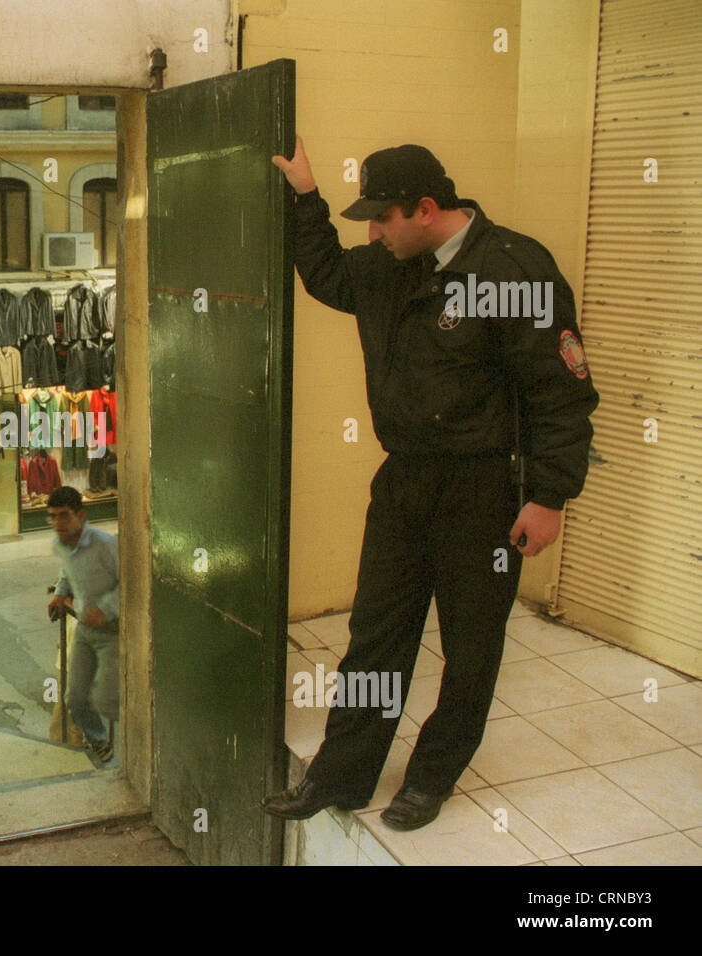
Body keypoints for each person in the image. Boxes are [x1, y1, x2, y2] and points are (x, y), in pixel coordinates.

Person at [260, 140, 599, 831]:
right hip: (406, 481)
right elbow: (325, 273)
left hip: (486, 490)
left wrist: (549, 496)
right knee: (375, 634)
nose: (372, 234)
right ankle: (342, 773)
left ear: (425, 208)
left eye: (381, 219)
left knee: (470, 643)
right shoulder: (393, 266)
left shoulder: (513, 271)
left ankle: (431, 776)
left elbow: (558, 395)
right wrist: (304, 196)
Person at [45, 486, 120, 764]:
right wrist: (60, 594)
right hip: (85, 632)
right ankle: (100, 742)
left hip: (113, 632)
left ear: (81, 515)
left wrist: (105, 609)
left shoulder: (105, 545)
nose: (58, 524)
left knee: (107, 700)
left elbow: (132, 581)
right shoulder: (61, 545)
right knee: (74, 700)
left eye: (64, 516)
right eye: (52, 517)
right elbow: (66, 573)